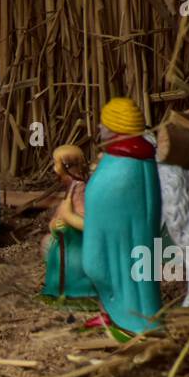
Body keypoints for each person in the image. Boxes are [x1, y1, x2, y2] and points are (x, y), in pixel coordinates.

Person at [81, 97, 163, 333]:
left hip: (121, 238)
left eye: (104, 124)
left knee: (107, 266)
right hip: (124, 235)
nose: (99, 128)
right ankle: (113, 313)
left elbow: (111, 199)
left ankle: (128, 319)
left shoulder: (128, 164)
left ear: (116, 127)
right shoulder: (134, 159)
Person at [41, 144, 96, 298]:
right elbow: (61, 215)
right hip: (66, 239)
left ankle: (75, 290)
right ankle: (62, 289)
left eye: (55, 162)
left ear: (66, 166)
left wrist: (67, 219)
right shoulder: (72, 188)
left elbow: (84, 219)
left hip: (77, 243)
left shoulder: (80, 190)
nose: (53, 167)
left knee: (66, 262)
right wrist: (55, 224)